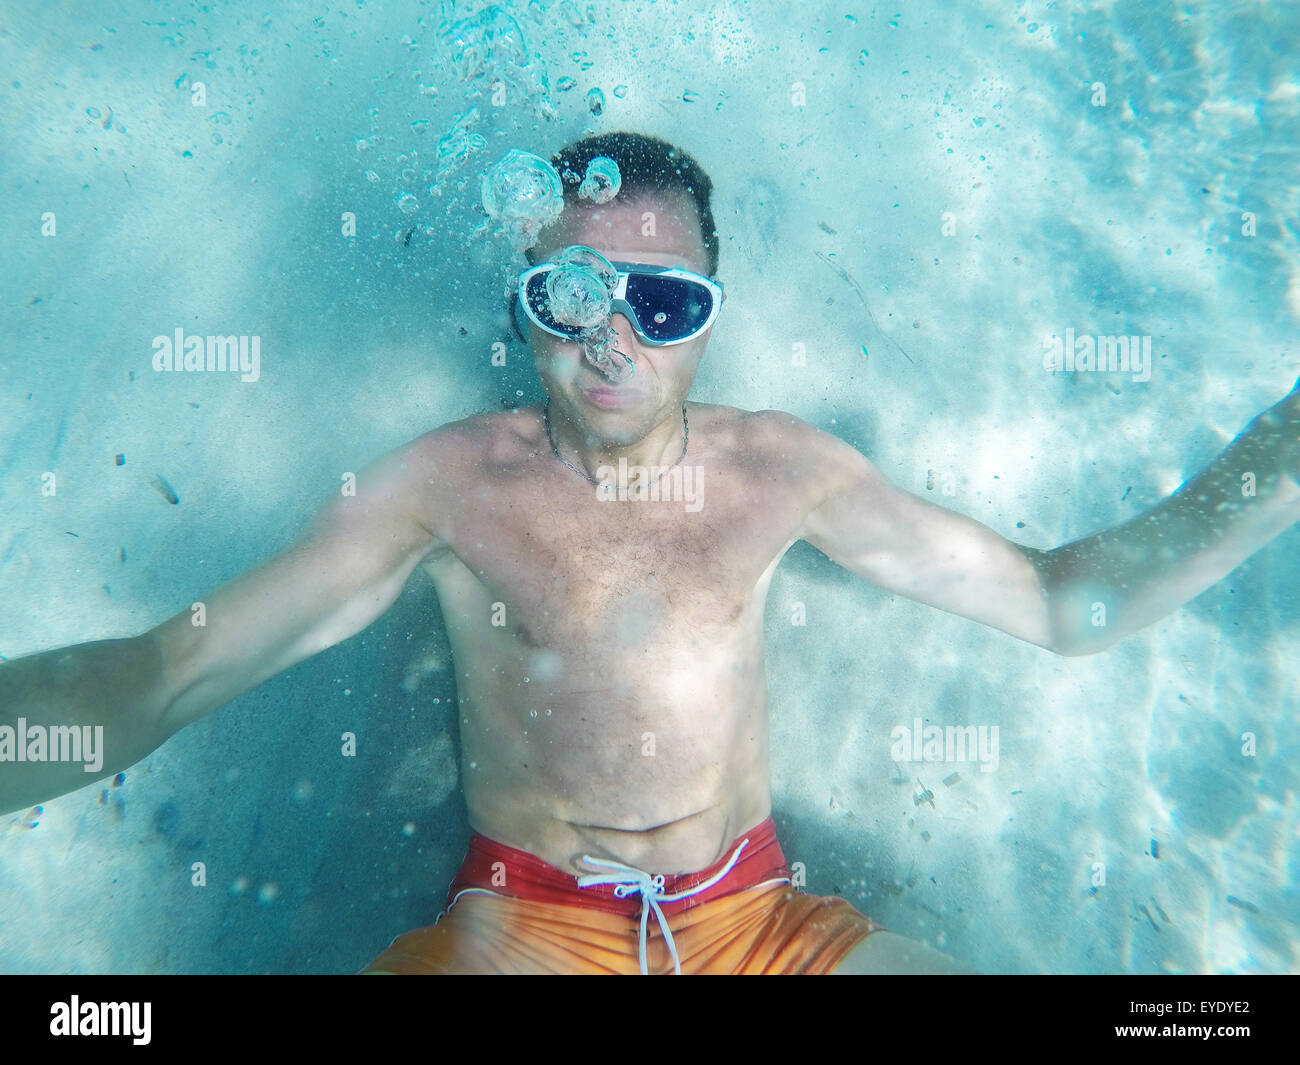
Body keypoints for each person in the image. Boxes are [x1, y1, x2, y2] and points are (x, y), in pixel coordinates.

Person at [2, 132, 1297, 974]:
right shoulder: (446, 488)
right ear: (526, 306)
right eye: (574, 297)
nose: (616, 340)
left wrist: (1276, 460)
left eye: (664, 304)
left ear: (708, 323)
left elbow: (1066, 605)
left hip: (771, 924)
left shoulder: (785, 470)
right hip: (521, 929)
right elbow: (158, 676)